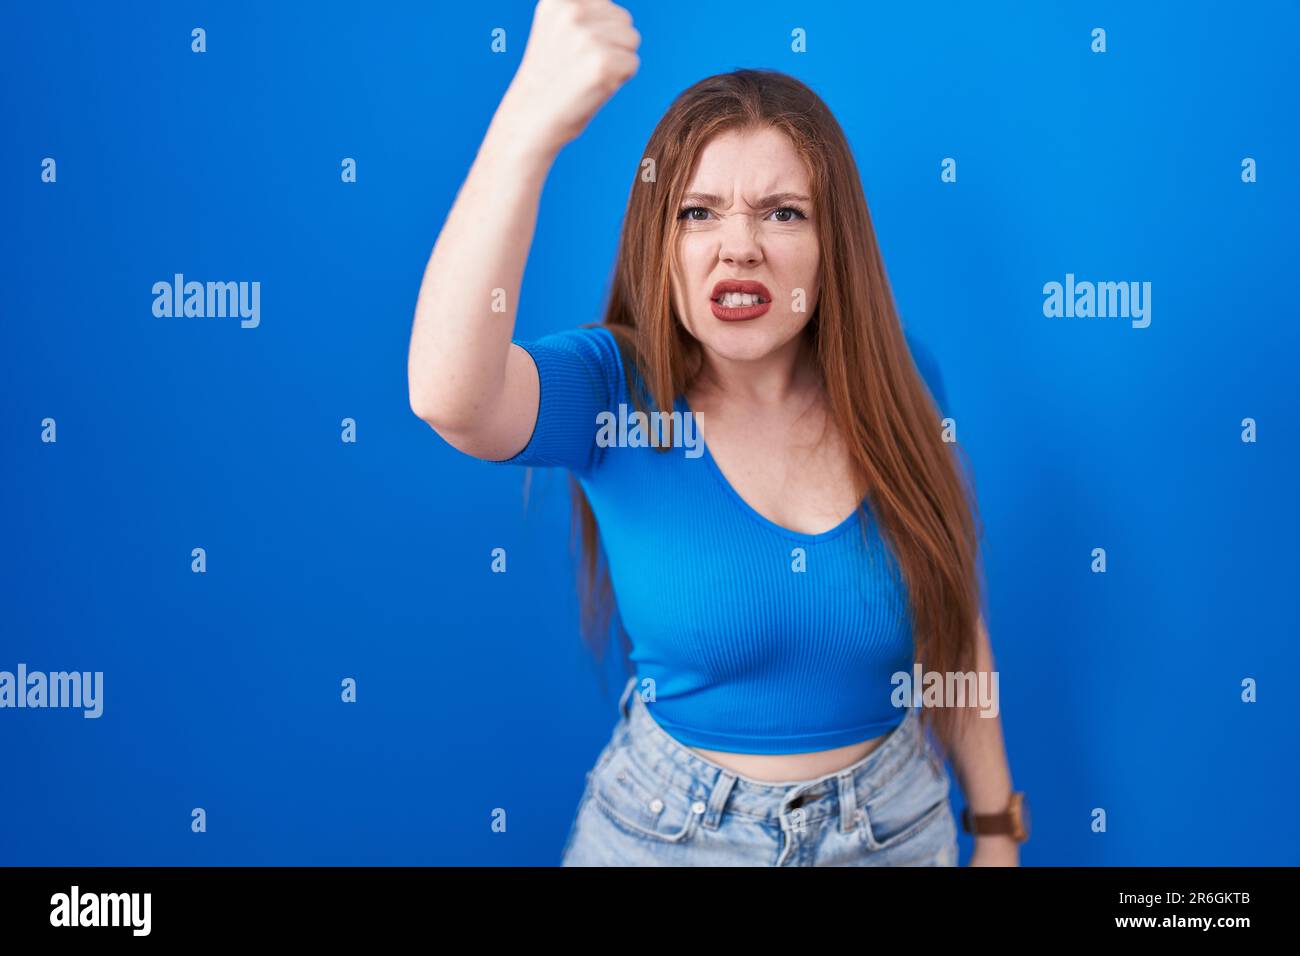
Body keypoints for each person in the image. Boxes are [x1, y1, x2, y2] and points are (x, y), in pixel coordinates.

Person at [408, 0, 1023, 866]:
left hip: (896, 832)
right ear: (660, 242)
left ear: (830, 244)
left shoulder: (905, 378)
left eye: (782, 213)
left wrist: (997, 829)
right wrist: (528, 129)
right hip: (670, 838)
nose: (739, 247)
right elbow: (450, 395)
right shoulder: (613, 390)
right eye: (698, 213)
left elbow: (956, 629)